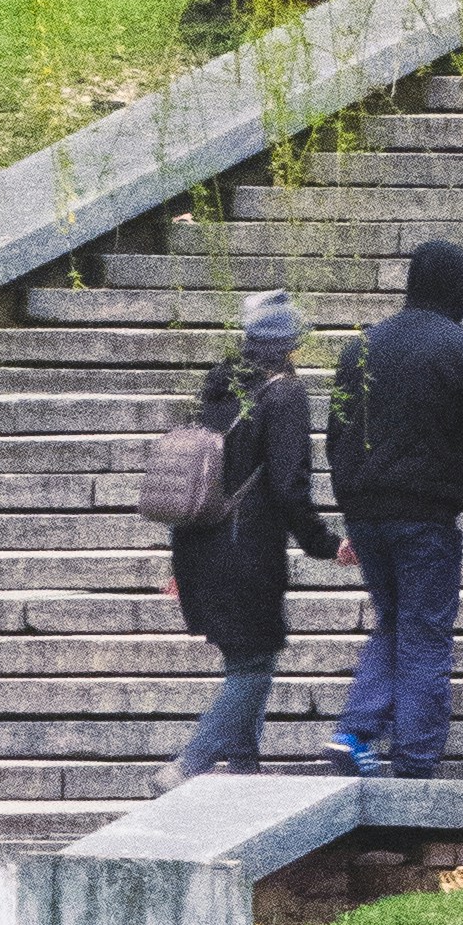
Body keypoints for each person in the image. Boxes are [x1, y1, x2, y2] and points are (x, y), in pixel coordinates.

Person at [323, 236, 463, 782]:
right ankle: (415, 766)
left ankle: (355, 732)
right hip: (425, 518)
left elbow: (336, 437)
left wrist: (351, 515)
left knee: (393, 624)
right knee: (425, 633)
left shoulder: (360, 350)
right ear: (457, 288)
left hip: (368, 515)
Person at [160, 290, 339, 782]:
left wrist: (177, 563)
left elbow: (197, 474)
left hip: (196, 543)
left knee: (245, 658)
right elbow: (289, 485)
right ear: (292, 344)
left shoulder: (219, 386)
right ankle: (189, 763)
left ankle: (244, 769)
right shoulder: (284, 395)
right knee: (254, 663)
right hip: (245, 548)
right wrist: (326, 543)